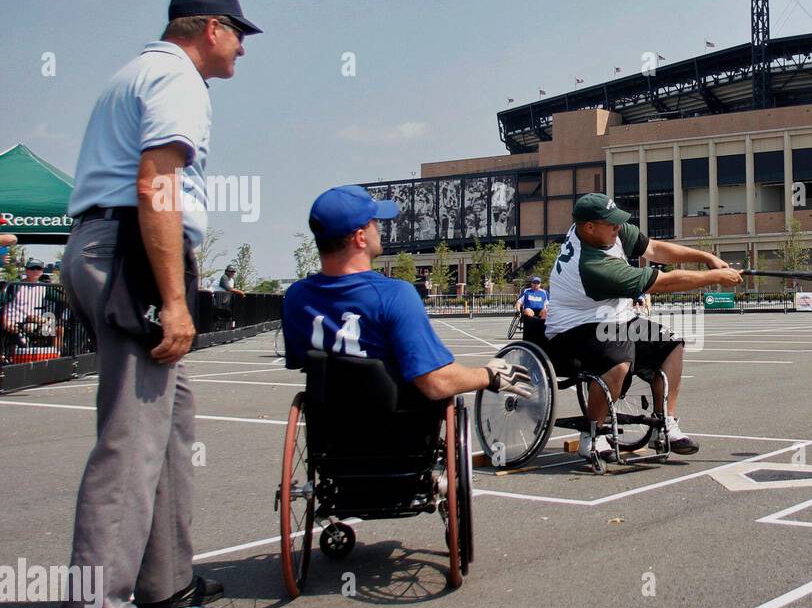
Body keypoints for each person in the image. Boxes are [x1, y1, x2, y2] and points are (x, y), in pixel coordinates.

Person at [52, 0, 261, 608]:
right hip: (129, 251)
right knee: (132, 440)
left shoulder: (136, 72)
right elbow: (157, 184)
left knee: (172, 425)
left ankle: (161, 581)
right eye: (238, 33)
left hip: (104, 245)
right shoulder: (177, 80)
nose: (240, 49)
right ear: (209, 29)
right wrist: (174, 299)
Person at [283, 185, 534, 403]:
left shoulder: (296, 297)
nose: (379, 228)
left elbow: (303, 362)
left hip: (329, 438)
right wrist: (489, 374)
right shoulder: (395, 295)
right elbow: (436, 384)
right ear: (360, 237)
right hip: (399, 435)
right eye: (374, 222)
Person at [545, 193, 743, 460]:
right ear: (589, 227)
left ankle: (666, 423)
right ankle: (592, 434)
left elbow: (655, 249)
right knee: (618, 361)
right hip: (574, 328)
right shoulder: (593, 266)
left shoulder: (603, 231)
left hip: (613, 319)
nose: (618, 228)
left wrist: (705, 257)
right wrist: (714, 277)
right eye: (611, 224)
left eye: (617, 222)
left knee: (671, 343)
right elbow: (666, 282)